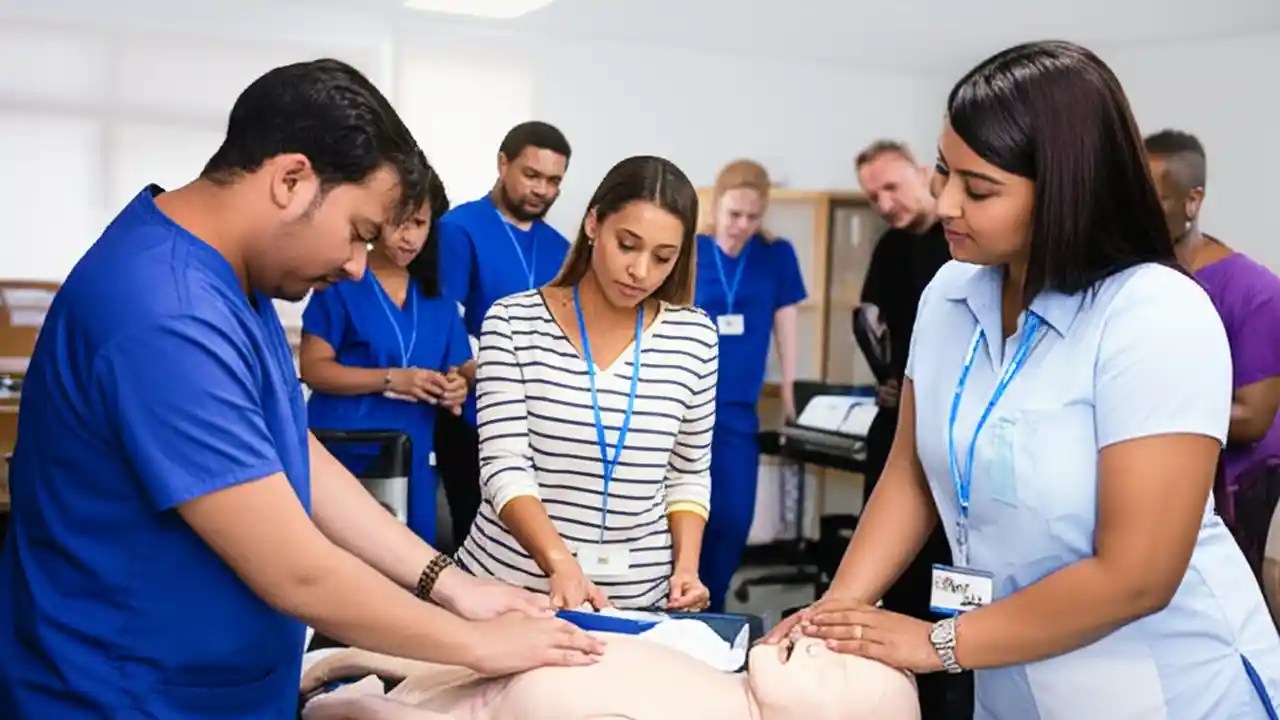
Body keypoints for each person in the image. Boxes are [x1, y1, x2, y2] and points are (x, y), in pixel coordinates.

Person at [0, 59, 603, 720]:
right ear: (291, 179)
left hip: (218, 684)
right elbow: (295, 567)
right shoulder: (165, 312)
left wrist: (451, 585)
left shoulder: (230, 278)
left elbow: (291, 454)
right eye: (359, 233)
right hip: (130, 695)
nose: (354, 265)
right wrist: (474, 645)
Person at [766, 40, 1280, 719]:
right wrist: (839, 609)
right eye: (945, 172)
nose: (945, 202)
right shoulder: (950, 295)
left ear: (1069, 192)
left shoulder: (1156, 316)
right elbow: (913, 471)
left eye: (978, 189)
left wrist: (936, 642)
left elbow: (1138, 577)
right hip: (1012, 672)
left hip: (1169, 684)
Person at [454, 155, 718, 612]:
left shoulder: (694, 337)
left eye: (662, 257)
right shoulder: (514, 322)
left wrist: (687, 569)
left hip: (637, 602)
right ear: (594, 223)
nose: (641, 271)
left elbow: (688, 471)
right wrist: (559, 562)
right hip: (513, 591)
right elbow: (504, 465)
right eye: (627, 244)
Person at [853, 139, 966, 719]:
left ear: (925, 174)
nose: (885, 203)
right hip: (903, 422)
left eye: (892, 187)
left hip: (962, 432)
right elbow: (866, 317)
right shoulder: (892, 248)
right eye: (874, 196)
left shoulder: (962, 253)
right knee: (900, 579)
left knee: (954, 581)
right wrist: (886, 377)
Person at [300, 154, 468, 544]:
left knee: (417, 568)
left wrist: (457, 385)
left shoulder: (437, 299)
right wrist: (392, 379)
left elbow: (460, 366)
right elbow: (313, 368)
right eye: (399, 223)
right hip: (342, 453)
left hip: (413, 458)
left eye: (420, 224)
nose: (409, 236)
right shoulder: (342, 280)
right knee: (338, 563)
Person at [1145, 128, 1280, 585]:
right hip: (1158, 476)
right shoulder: (1135, 283)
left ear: (1192, 200)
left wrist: (1138, 414)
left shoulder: (1254, 291)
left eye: (1154, 199)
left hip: (1241, 487)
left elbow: (1254, 416)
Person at [434, 121, 573, 551]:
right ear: (502, 164)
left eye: (554, 181)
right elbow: (445, 319)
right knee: (478, 535)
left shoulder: (560, 247)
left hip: (542, 418)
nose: (542, 190)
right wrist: (490, 372)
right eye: (532, 175)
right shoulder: (460, 229)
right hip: (475, 414)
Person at [299, 631, 920, 719]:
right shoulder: (723, 678)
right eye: (833, 647)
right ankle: (352, 662)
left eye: (834, 676)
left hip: (487, 713)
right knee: (463, 657)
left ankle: (356, 700)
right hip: (507, 660)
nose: (813, 647)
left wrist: (360, 709)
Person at [691, 159, 806, 614]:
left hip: (739, 410)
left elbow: (786, 322)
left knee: (733, 518)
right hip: (686, 407)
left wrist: (793, 390)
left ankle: (711, 606)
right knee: (683, 517)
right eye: (733, 214)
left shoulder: (776, 255)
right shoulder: (690, 250)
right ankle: (678, 607)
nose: (741, 225)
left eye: (752, 217)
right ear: (715, 204)